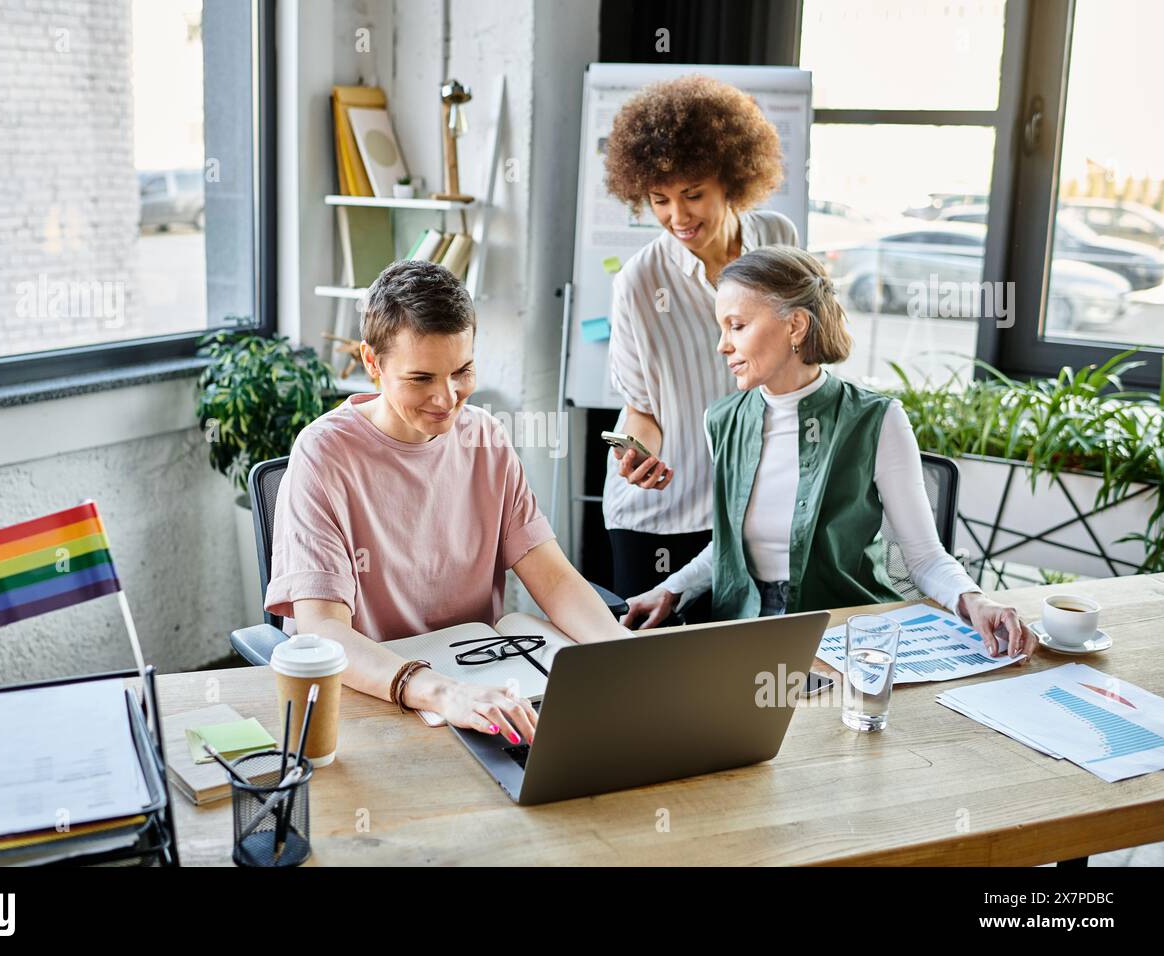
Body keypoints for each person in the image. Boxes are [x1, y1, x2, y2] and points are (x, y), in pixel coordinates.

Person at [264, 260, 629, 747]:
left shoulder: (486, 439)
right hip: (379, 699)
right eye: (420, 379)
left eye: (462, 371)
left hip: (481, 691)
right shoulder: (323, 456)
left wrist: (628, 657)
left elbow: (554, 576)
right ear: (373, 364)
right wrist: (442, 692)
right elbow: (323, 630)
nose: (447, 397)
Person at [621, 245, 1038, 662]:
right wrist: (670, 588)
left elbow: (924, 557)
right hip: (742, 629)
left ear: (796, 325)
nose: (722, 346)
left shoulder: (878, 419)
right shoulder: (722, 420)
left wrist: (975, 600)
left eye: (737, 326)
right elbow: (731, 547)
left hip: (845, 632)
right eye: (721, 329)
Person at [600, 74, 799, 619]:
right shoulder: (640, 282)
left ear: (732, 182)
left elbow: (800, 355)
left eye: (693, 195)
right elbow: (641, 407)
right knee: (652, 677)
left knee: (738, 673)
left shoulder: (779, 239)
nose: (678, 217)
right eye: (659, 200)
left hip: (752, 505)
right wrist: (637, 450)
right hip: (661, 517)